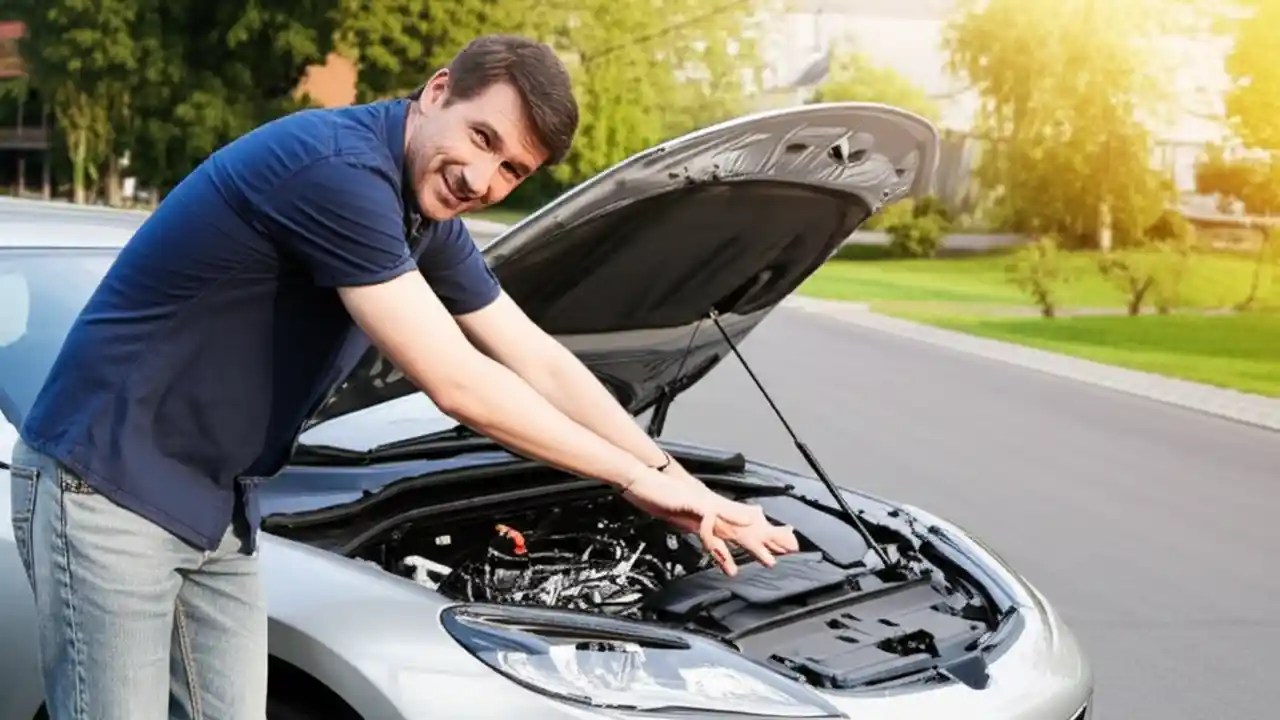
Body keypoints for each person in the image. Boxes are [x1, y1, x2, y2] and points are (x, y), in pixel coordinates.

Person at [7, 34, 799, 720]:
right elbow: (457, 382)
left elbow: (537, 357)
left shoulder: (424, 214)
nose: (482, 178)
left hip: (219, 506)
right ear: (437, 93)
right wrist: (631, 478)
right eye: (481, 137)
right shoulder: (336, 172)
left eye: (511, 170)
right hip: (105, 485)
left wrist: (680, 482)